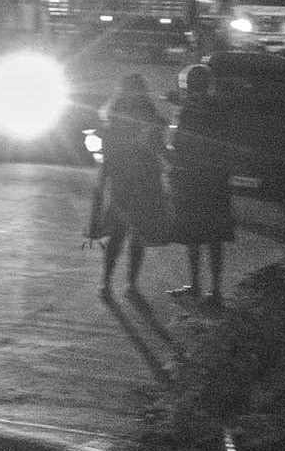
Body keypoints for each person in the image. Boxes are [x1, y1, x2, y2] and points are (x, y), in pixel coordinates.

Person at [92, 74, 171, 297]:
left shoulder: (113, 119)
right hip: (146, 181)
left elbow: (108, 156)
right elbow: (159, 150)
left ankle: (106, 283)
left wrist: (102, 181)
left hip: (122, 181)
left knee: (117, 234)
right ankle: (131, 284)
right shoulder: (151, 120)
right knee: (138, 234)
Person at [165, 62, 234, 309]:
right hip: (214, 181)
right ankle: (214, 291)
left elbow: (179, 147)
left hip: (192, 180)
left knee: (193, 236)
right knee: (213, 238)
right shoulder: (218, 108)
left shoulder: (187, 110)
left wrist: (166, 155)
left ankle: (196, 286)